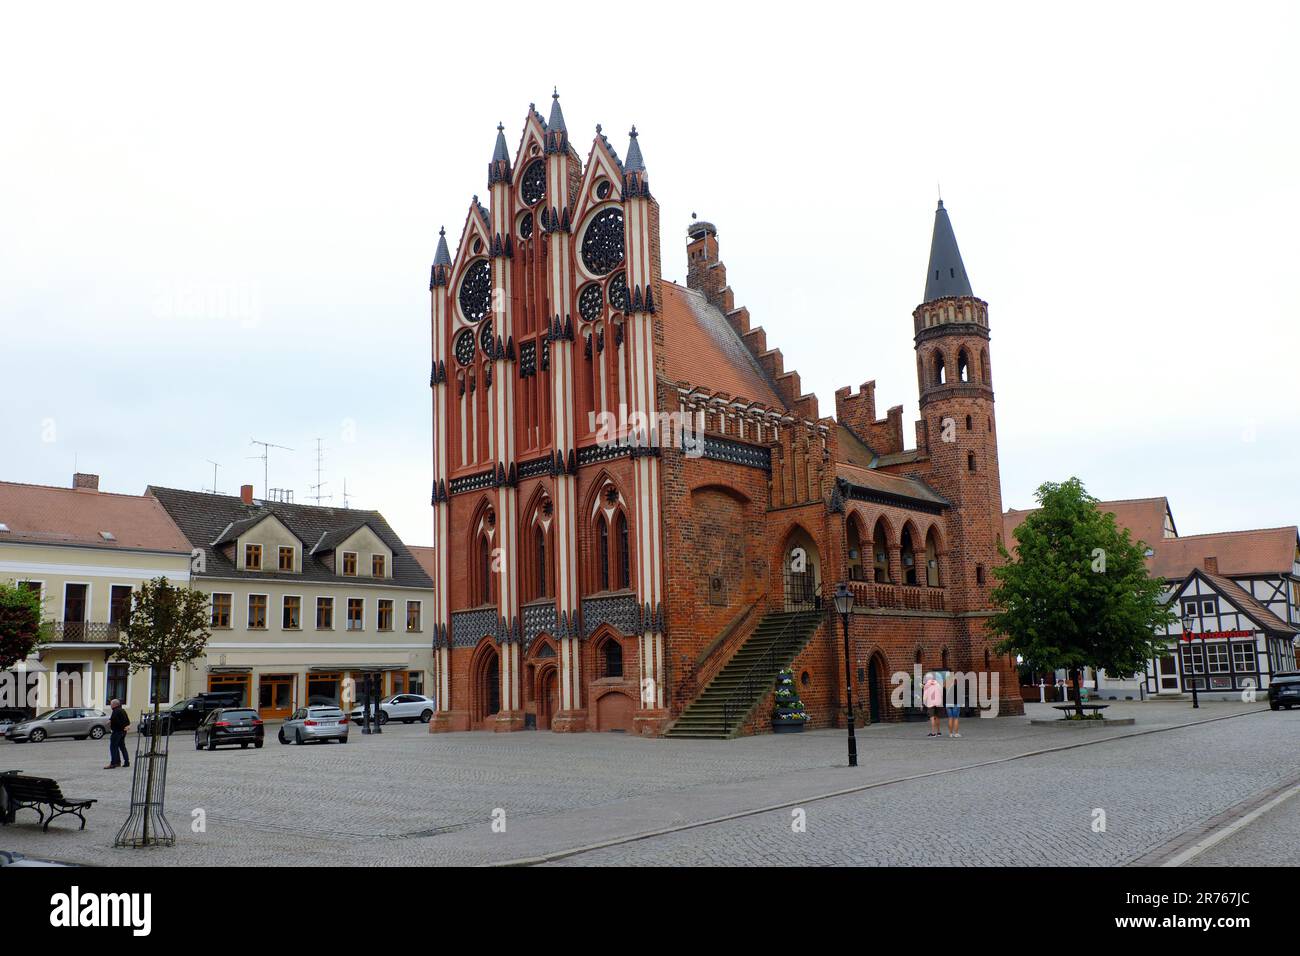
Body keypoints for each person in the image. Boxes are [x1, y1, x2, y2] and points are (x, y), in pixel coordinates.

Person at [105, 698, 131, 769]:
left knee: (113, 747)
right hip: (123, 732)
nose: (110, 706)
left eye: (111, 704)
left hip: (117, 732)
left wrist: (110, 723)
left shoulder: (115, 711)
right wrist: (125, 727)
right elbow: (128, 721)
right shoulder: (123, 710)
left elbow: (114, 720)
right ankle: (126, 762)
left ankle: (113, 763)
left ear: (114, 705)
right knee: (122, 747)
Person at [922, 673, 942, 737]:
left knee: (932, 717)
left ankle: (933, 733)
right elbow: (941, 693)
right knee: (937, 717)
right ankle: (938, 732)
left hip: (930, 703)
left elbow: (925, 696)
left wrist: (924, 703)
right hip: (938, 702)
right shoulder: (938, 684)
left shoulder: (927, 685)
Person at [945, 672, 961, 738]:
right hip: (955, 704)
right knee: (956, 718)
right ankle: (956, 733)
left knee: (950, 718)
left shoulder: (946, 688)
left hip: (948, 704)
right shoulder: (957, 687)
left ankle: (950, 733)